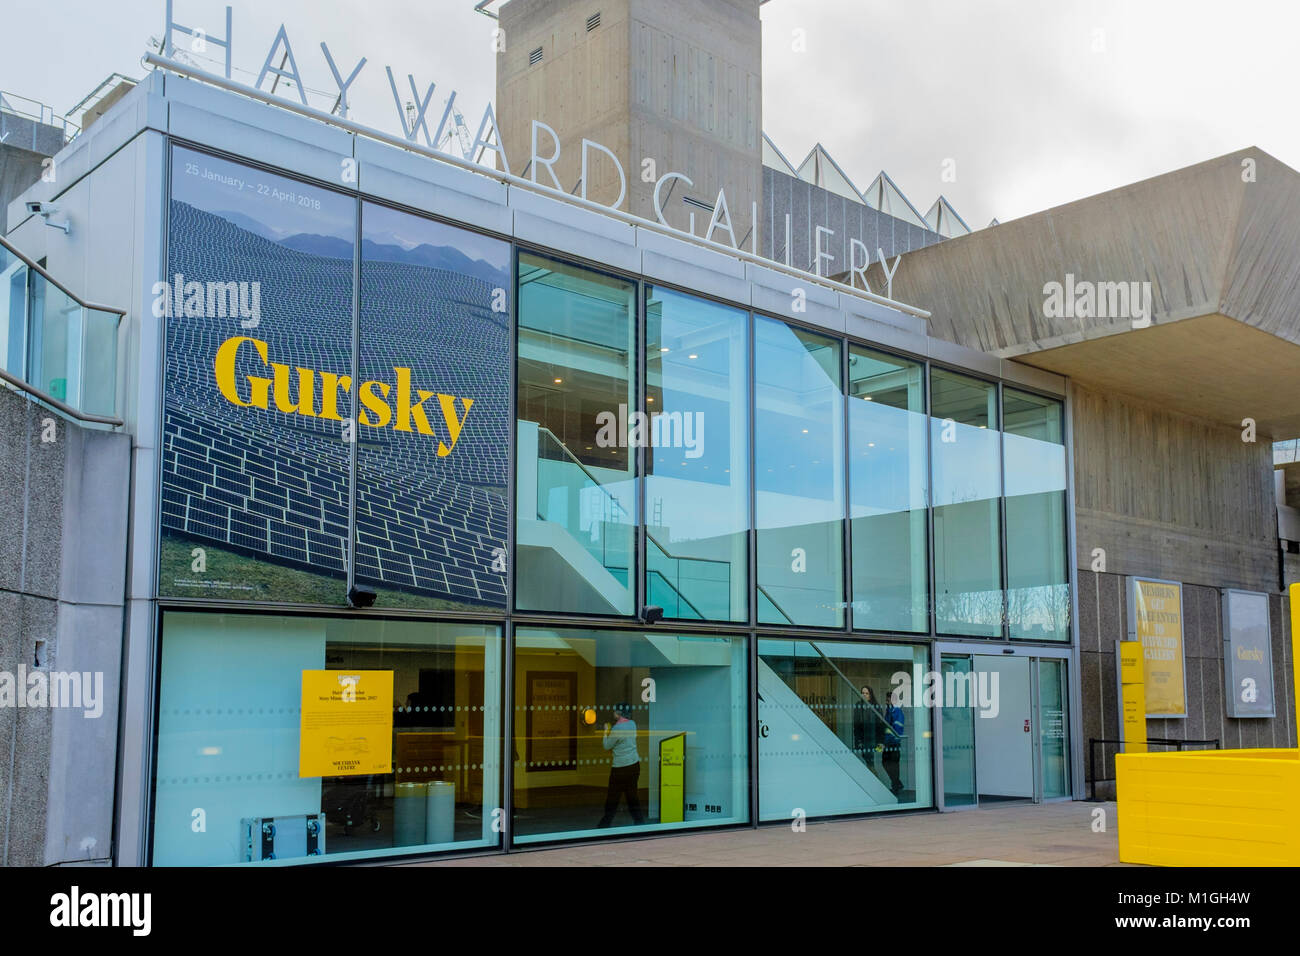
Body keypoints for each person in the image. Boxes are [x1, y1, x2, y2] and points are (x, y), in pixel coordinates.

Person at [598, 702, 645, 827]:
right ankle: (639, 821)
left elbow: (606, 745)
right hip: (634, 765)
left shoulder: (616, 729)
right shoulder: (632, 724)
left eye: (615, 711)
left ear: (619, 714)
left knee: (613, 796)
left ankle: (605, 823)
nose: (613, 713)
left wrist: (605, 732)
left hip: (620, 768)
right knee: (632, 795)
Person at [881, 694, 906, 796]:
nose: (886, 702)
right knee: (885, 763)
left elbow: (895, 729)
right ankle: (897, 783)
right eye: (886, 700)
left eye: (888, 700)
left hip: (893, 743)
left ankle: (895, 787)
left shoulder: (897, 711)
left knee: (893, 766)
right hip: (887, 743)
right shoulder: (889, 712)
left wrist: (886, 741)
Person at [852, 685, 881, 770]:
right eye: (862, 693)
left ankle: (874, 779)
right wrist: (857, 742)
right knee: (866, 762)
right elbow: (856, 726)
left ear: (870, 695)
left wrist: (880, 742)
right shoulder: (858, 706)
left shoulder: (876, 707)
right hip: (862, 740)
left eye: (867, 693)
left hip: (873, 740)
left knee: (871, 763)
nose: (864, 695)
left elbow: (880, 726)